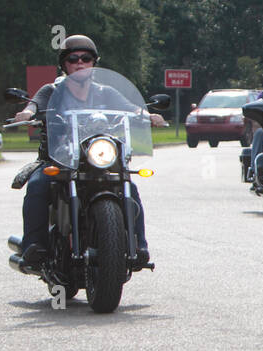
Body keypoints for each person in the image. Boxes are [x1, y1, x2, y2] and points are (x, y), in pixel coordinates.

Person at [12, 35, 164, 270]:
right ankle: (35, 245)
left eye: (86, 58)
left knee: (129, 186)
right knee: (38, 184)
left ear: (94, 63)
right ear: (64, 64)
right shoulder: (52, 91)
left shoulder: (106, 92)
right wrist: (27, 113)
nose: (80, 63)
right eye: (73, 59)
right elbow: (33, 105)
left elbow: (132, 108)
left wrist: (147, 115)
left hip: (98, 157)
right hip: (59, 158)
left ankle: (139, 246)